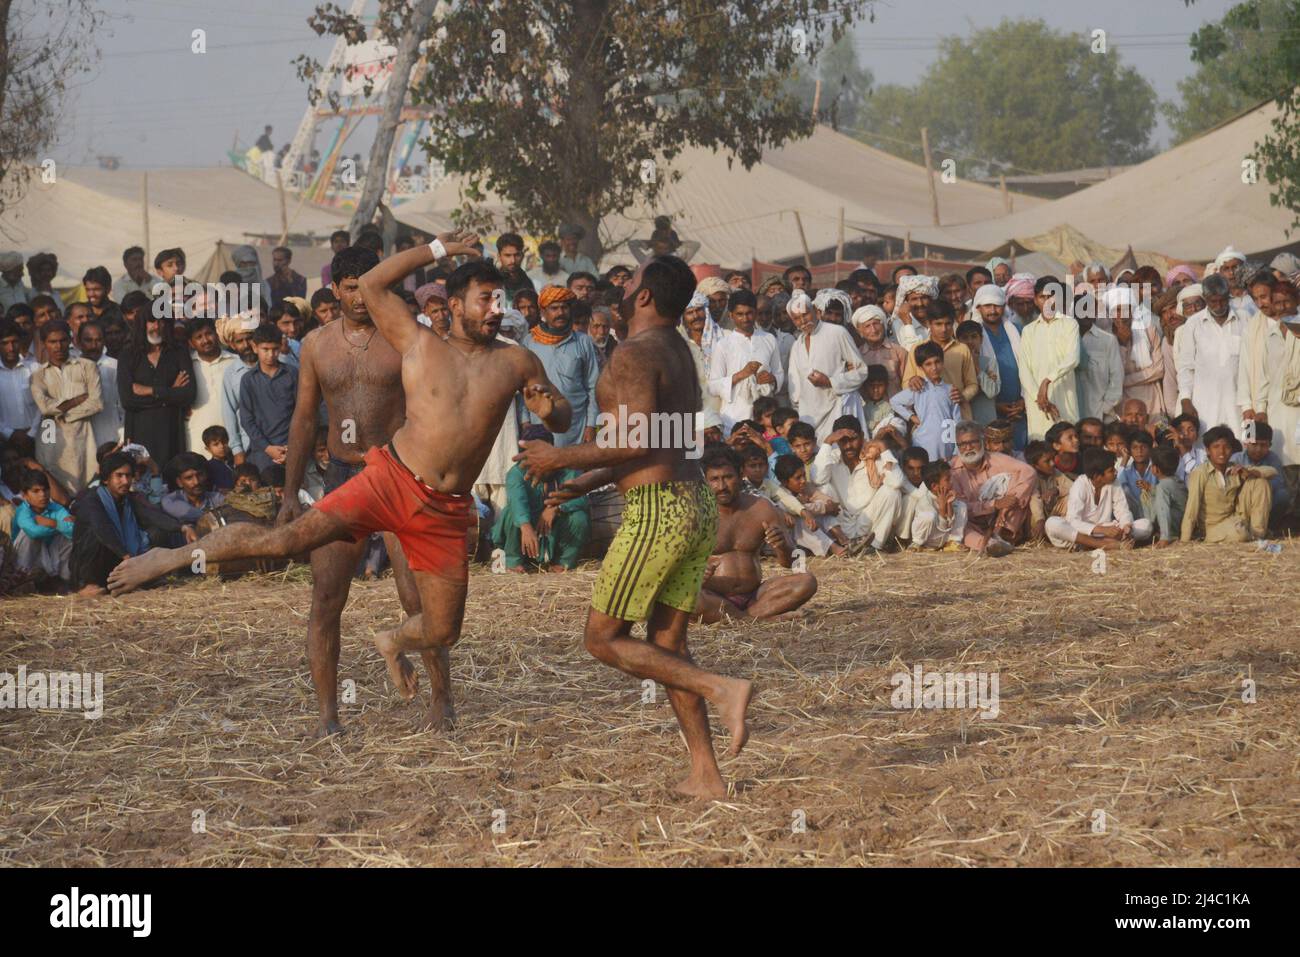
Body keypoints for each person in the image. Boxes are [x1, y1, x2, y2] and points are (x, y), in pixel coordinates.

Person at [110, 237, 573, 737]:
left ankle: (404, 655)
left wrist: (553, 410)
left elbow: (561, 414)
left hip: (441, 506)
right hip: (383, 476)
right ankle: (171, 562)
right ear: (455, 305)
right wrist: (441, 246)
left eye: (500, 300)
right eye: (487, 299)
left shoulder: (513, 359)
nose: (497, 310)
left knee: (439, 625)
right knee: (296, 559)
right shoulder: (400, 342)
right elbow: (305, 416)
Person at [516, 255, 754, 801]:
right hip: (690, 501)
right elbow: (664, 442)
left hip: (658, 510)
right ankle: (706, 773)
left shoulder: (633, 352)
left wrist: (560, 458)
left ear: (645, 297)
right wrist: (588, 477)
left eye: (631, 284)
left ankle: (722, 689)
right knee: (667, 642)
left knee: (602, 640)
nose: (621, 291)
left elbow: (640, 440)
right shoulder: (678, 350)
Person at [693, 446, 816, 621]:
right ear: (705, 481)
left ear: (740, 474)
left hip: (756, 595)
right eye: (714, 479)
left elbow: (792, 562)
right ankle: (758, 617)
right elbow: (673, 568)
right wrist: (696, 575)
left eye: (728, 477)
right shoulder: (696, 514)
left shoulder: (762, 507)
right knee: (687, 598)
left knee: (807, 582)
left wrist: (781, 546)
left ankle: (745, 617)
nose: (721, 486)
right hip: (712, 597)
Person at [75, 450, 194, 595]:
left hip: (119, 560)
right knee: (95, 535)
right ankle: (88, 585)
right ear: (106, 479)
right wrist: (127, 558)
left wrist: (183, 527)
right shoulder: (92, 500)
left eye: (128, 476)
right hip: (91, 565)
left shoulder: (128, 499)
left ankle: (138, 578)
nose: (125, 481)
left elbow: (152, 515)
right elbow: (102, 528)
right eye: (119, 476)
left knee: (157, 532)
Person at [493, 425, 590, 572]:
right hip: (526, 535)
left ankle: (562, 562)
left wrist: (555, 507)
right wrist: (525, 526)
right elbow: (518, 503)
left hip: (554, 533)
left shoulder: (567, 468)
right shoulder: (516, 473)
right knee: (510, 513)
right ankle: (513, 562)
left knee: (579, 516)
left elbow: (581, 497)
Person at [118, 306, 196, 467]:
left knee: (173, 479)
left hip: (171, 431)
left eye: (162, 321)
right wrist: (171, 392)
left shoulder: (178, 352)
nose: (156, 326)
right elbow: (128, 400)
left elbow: (189, 394)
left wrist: (150, 390)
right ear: (143, 324)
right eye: (151, 321)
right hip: (139, 429)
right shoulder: (128, 355)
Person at [30, 320, 103, 490]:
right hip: (51, 440)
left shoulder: (87, 367)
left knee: (86, 488)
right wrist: (77, 400)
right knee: (55, 491)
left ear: (70, 341)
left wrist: (63, 413)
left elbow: (96, 404)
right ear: (44, 344)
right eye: (52, 342)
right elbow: (44, 408)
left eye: (62, 340)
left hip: (82, 439)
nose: (58, 346)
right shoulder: (38, 375)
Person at [524, 285, 600, 447]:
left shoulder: (583, 341)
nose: (560, 313)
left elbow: (593, 386)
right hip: (538, 425)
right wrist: (525, 421)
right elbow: (520, 387)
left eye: (564, 307)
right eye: (554, 308)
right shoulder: (529, 341)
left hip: (576, 428)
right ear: (543, 312)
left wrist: (591, 425)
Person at [787, 290, 868, 440]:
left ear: (816, 312)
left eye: (805, 314)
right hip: (810, 416)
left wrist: (830, 381)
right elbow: (795, 390)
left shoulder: (837, 332)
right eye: (797, 318)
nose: (803, 321)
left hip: (839, 408)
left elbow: (861, 371)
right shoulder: (797, 345)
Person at [948, 420, 1036, 555]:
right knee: (959, 523)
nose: (968, 448)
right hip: (972, 521)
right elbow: (960, 507)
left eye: (973, 442)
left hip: (1001, 519)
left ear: (982, 441)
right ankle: (989, 545)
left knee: (1017, 487)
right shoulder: (952, 469)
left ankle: (1002, 536)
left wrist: (1007, 503)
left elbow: (1029, 472)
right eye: (962, 444)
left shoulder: (997, 459)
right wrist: (994, 504)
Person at [818, 415, 904, 553]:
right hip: (842, 523)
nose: (848, 446)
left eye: (853, 439)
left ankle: (875, 547)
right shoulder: (832, 458)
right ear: (836, 441)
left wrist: (882, 447)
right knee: (823, 489)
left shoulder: (873, 455)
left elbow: (897, 482)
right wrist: (828, 442)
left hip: (870, 521)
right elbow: (818, 479)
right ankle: (845, 544)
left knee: (892, 492)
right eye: (842, 441)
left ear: (862, 436)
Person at [1176, 274, 1246, 438]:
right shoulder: (1193, 324)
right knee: (1207, 447)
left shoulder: (1245, 319)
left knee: (1243, 445)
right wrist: (1185, 399)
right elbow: (1185, 366)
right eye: (1214, 301)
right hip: (1205, 403)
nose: (1219, 305)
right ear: (1206, 299)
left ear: (1228, 296)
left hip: (1239, 402)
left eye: (1223, 300)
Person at [1180, 425, 1274, 542]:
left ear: (1232, 449)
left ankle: (1258, 535)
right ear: (1208, 451)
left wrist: (1250, 472)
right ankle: (1251, 535)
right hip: (1213, 528)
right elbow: (1191, 510)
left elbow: (1272, 471)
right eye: (1216, 447)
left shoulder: (1234, 467)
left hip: (1235, 520)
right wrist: (1184, 541)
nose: (1222, 452)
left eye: (1227, 447)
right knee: (1240, 533)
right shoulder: (1200, 473)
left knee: (1261, 482)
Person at [1046, 447, 1152, 550]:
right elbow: (1073, 521)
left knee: (1146, 525)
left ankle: (1095, 544)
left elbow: (1122, 510)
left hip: (1107, 532)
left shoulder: (1114, 482)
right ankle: (1103, 544)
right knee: (1052, 524)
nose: (1115, 472)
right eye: (1111, 470)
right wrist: (1101, 530)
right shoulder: (1080, 484)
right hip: (1080, 534)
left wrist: (1126, 527)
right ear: (1097, 476)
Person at [707, 289, 782, 431]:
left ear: (755, 313)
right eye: (739, 314)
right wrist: (742, 374)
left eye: (749, 313)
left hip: (765, 417)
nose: (745, 319)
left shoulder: (768, 339)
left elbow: (779, 373)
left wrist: (771, 378)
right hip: (734, 416)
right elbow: (713, 385)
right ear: (731, 315)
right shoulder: (723, 344)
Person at [1018, 276, 1080, 440]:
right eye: (1042, 297)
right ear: (1035, 300)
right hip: (1038, 404)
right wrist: (1039, 399)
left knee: (1068, 443)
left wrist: (1047, 380)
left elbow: (1073, 358)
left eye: (1051, 296)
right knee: (1040, 447)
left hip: (1065, 398)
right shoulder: (1028, 331)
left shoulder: (1070, 324)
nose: (1047, 301)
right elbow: (1024, 369)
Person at [972, 283, 1027, 449]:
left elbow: (1030, 366)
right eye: (987, 306)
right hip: (988, 407)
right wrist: (995, 405)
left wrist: (1024, 401)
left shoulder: (1016, 330)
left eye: (997, 306)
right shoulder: (972, 334)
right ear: (978, 307)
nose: (993, 310)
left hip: (1019, 408)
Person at [238, 324, 297, 472]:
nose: (270, 355)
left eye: (275, 349)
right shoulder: (248, 380)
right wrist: (267, 447)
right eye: (265, 349)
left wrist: (294, 446)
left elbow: (303, 412)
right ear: (255, 347)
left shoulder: (292, 374)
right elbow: (246, 419)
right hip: (262, 452)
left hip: (292, 448)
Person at [891, 340, 960, 461]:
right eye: (928, 364)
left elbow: (956, 420)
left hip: (945, 443)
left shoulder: (950, 389)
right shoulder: (918, 387)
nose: (934, 367)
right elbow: (894, 402)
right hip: (922, 441)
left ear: (942, 362)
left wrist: (955, 450)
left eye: (937, 362)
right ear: (920, 367)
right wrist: (912, 417)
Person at [184, 317, 239, 455]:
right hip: (197, 440)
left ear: (217, 334)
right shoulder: (186, 366)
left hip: (232, 438)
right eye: (199, 337)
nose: (206, 340)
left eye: (209, 334)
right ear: (191, 343)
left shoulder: (235, 362)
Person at [12, 468, 74, 586]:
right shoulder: (23, 511)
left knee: (68, 538)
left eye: (45, 490)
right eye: (36, 491)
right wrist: (60, 527)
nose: (43, 495)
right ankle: (20, 579)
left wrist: (53, 523)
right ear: (25, 495)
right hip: (26, 558)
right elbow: (33, 532)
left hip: (49, 557)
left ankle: (64, 580)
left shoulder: (56, 508)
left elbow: (73, 530)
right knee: (28, 535)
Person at [1230, 420, 1290, 527]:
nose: (1258, 449)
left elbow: (1279, 482)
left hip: (1264, 502)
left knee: (1283, 495)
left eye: (1263, 445)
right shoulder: (1236, 458)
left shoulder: (1273, 458)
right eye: (1254, 444)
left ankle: (1269, 527)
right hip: (1242, 503)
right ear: (1246, 443)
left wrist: (1259, 484)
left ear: (1270, 445)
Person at [76, 321, 123, 448]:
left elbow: (122, 406)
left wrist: (122, 434)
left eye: (98, 340)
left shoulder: (115, 366)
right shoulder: (71, 368)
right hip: (81, 440)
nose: (93, 345)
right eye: (88, 340)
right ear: (78, 342)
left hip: (111, 436)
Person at [1075, 302, 1124, 422]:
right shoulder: (1066, 339)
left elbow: (1117, 376)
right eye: (1082, 309)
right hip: (1074, 410)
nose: (1086, 313)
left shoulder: (1108, 340)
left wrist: (1106, 407)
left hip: (1100, 413)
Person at [909, 459, 967, 551]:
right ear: (934, 486)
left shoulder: (949, 496)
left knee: (962, 506)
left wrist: (949, 504)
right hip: (929, 541)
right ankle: (917, 543)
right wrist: (942, 508)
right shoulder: (925, 502)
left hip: (944, 538)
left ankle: (953, 542)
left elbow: (950, 525)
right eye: (947, 480)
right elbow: (942, 527)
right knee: (929, 516)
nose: (951, 482)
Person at [160, 451, 225, 523]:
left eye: (200, 475)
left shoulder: (217, 498)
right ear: (179, 482)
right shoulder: (171, 500)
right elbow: (187, 512)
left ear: (206, 475)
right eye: (189, 478)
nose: (196, 482)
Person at [1149, 444, 1187, 548]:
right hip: (1183, 523)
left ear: (1156, 469)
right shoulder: (1177, 480)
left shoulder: (1163, 485)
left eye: (1152, 464)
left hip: (1175, 527)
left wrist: (1165, 538)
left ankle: (1166, 535)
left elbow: (1163, 510)